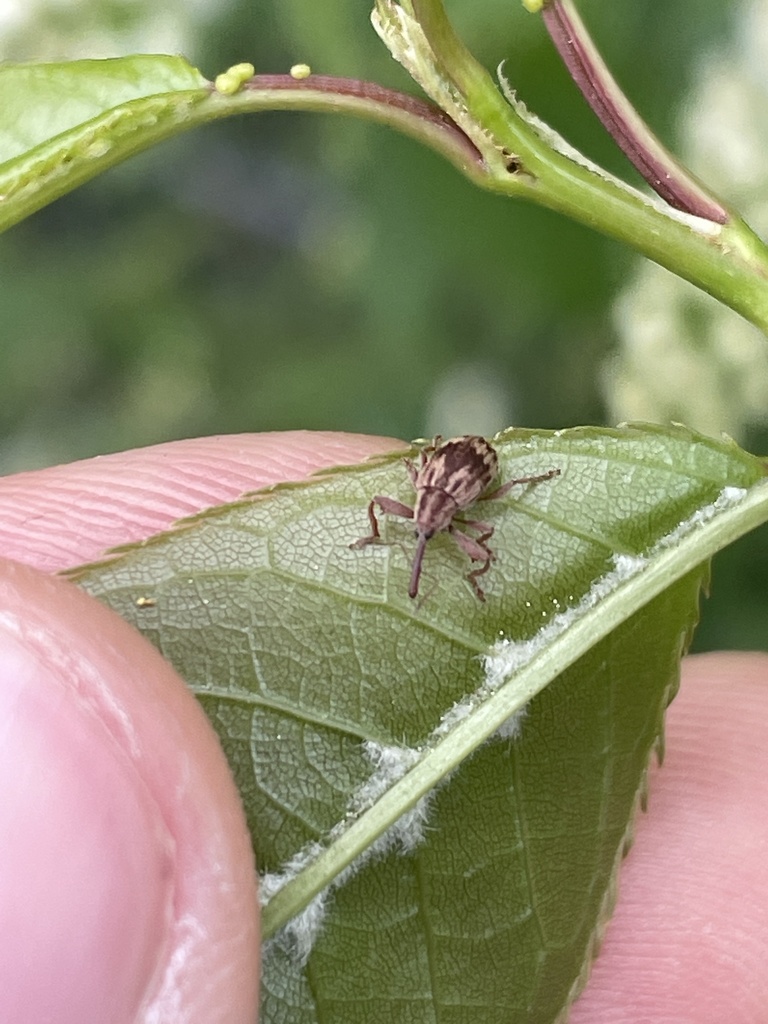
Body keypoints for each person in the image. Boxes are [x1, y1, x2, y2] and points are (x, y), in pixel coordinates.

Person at [1, 431, 766, 1023]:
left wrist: (474, 529)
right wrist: (395, 532)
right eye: (421, 522)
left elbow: (482, 529)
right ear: (426, 496)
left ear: (448, 503)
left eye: (431, 522)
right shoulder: (416, 506)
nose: (423, 532)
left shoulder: (467, 514)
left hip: (479, 465)